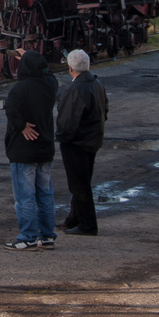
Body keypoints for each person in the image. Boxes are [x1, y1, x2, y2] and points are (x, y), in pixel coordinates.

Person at [3, 49, 59, 250]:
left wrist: (21, 127)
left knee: (25, 197)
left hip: (23, 150)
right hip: (45, 147)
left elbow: (10, 109)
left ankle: (27, 235)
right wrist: (34, 56)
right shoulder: (50, 86)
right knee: (45, 195)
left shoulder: (20, 89)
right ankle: (47, 235)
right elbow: (50, 74)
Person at [54, 48, 107, 236]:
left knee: (79, 184)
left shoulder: (76, 89)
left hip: (77, 142)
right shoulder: (96, 83)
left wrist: (62, 135)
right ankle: (74, 218)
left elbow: (68, 118)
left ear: (70, 68)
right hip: (92, 139)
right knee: (82, 181)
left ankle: (88, 224)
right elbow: (104, 110)